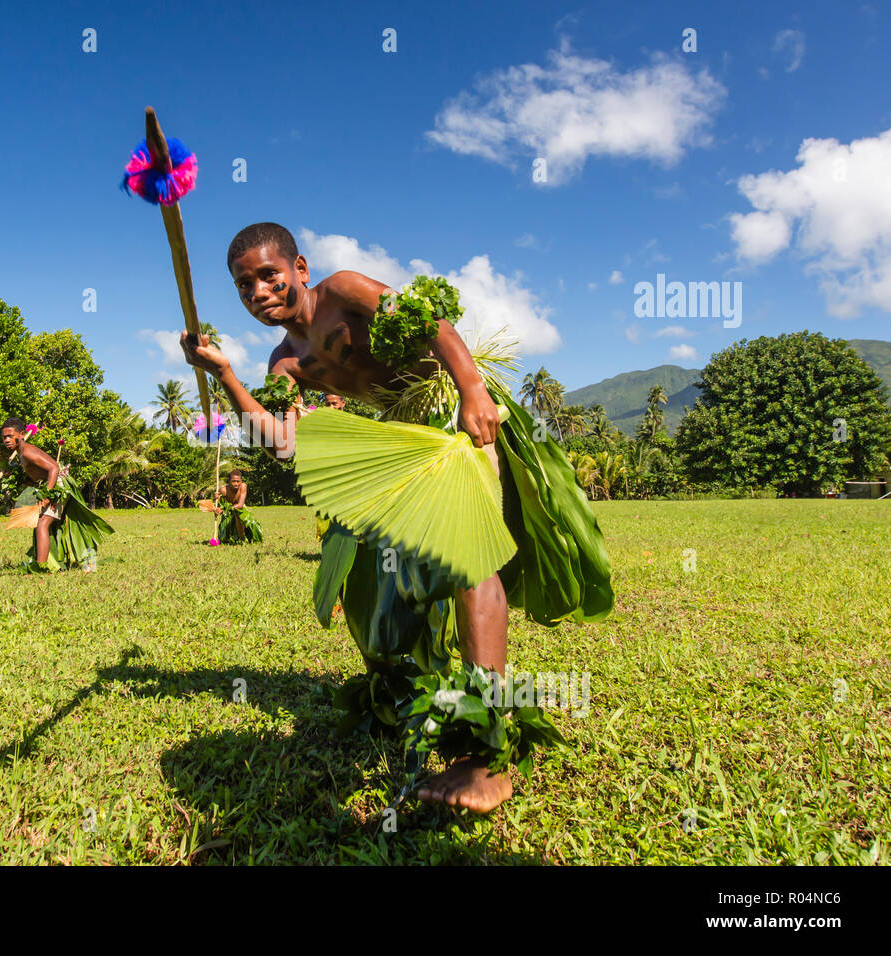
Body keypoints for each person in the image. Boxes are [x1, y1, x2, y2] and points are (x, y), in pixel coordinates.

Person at [180, 222, 612, 814]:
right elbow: (281, 441)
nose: (258, 291)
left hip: (452, 412)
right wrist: (225, 374)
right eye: (242, 285)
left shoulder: (345, 291)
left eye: (267, 275)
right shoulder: (286, 363)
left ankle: (486, 756)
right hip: (400, 444)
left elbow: (431, 322)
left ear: (299, 269)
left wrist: (470, 388)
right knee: (377, 585)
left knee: (467, 554)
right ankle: (403, 695)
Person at [0, 419, 113, 571]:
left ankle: (41, 567)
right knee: (44, 525)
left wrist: (48, 495)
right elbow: (37, 473)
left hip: (58, 484)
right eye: (4, 437)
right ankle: (53, 562)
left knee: (42, 523)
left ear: (21, 434)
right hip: (50, 484)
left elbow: (53, 467)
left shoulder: (27, 451)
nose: (6, 440)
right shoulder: (20, 453)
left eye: (10, 436)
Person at [211, 469, 263, 544]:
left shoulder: (243, 486)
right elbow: (220, 506)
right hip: (228, 513)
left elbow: (240, 505)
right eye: (233, 481)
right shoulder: (223, 490)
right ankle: (232, 536)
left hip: (240, 510)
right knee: (223, 539)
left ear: (241, 481)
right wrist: (217, 508)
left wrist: (227, 509)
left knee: (238, 512)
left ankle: (242, 538)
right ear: (229, 481)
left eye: (238, 481)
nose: (236, 484)